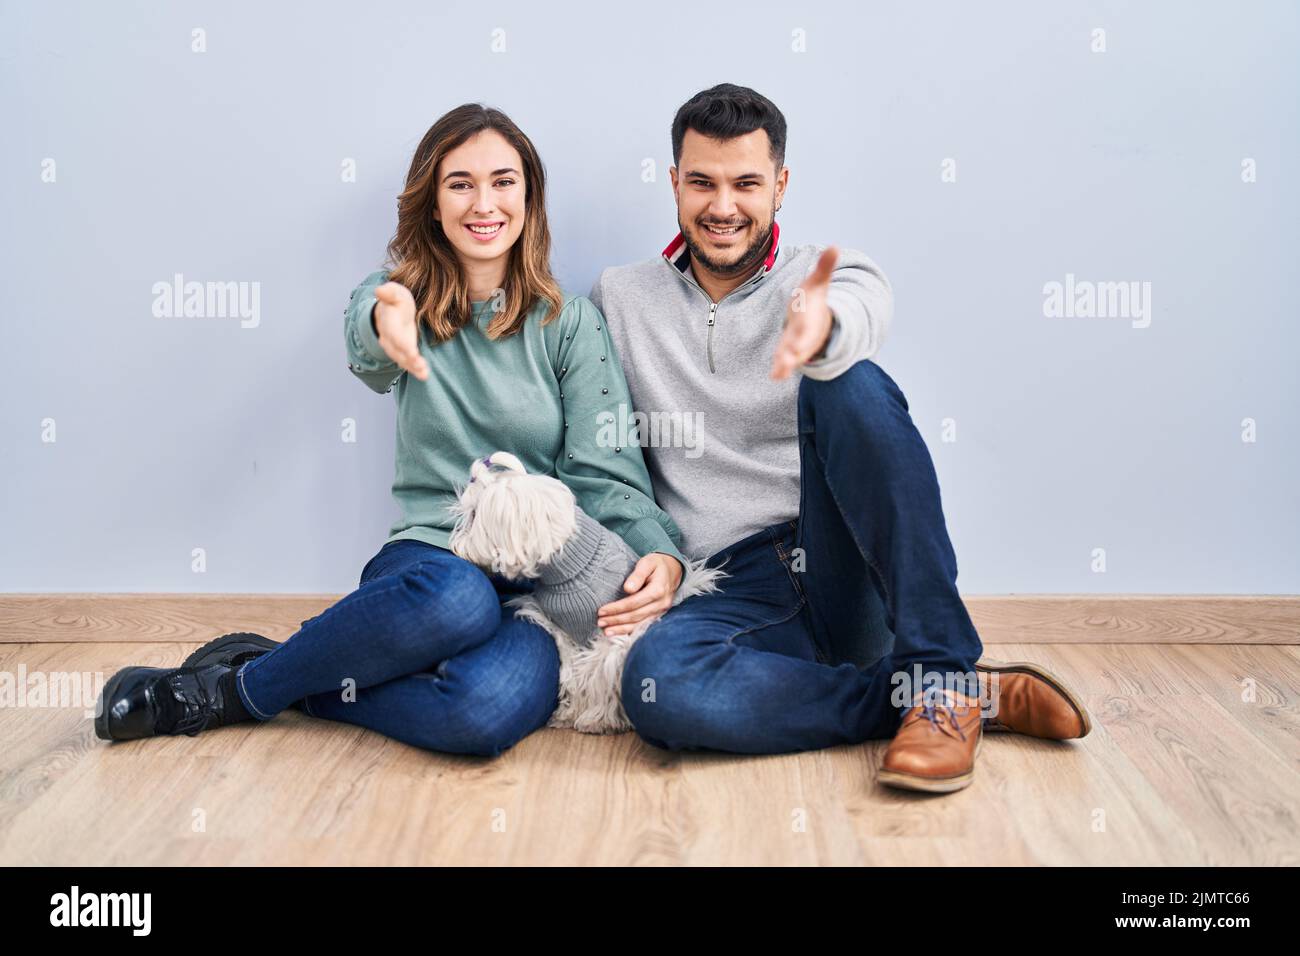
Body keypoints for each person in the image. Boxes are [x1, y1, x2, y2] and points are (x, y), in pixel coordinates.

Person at [95, 104, 687, 756]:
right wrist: (390, 322)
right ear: (433, 204)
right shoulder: (399, 298)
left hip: (535, 588)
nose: (483, 202)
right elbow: (367, 338)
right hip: (432, 564)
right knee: (460, 604)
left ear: (529, 198)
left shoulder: (569, 323)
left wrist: (661, 554)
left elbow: (604, 468)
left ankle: (295, 673)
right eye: (460, 183)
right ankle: (221, 694)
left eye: (503, 181)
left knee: (483, 714)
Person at [590, 83, 1092, 794]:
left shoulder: (823, 273)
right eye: (701, 182)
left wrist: (823, 332)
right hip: (728, 586)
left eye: (746, 183)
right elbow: (599, 451)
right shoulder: (619, 298)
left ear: (781, 186)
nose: (723, 206)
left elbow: (860, 307)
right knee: (658, 689)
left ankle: (938, 674)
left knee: (848, 382)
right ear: (673, 182)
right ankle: (940, 698)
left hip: (839, 559)